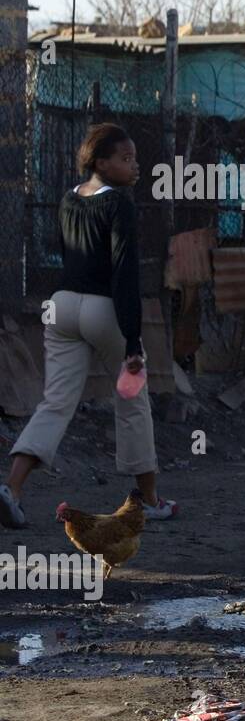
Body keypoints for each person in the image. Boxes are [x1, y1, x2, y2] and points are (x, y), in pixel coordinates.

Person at [0, 124, 178, 531]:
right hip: (104, 310)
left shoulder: (67, 200)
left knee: (56, 401)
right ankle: (149, 501)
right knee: (132, 401)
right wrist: (133, 340)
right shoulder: (119, 206)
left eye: (135, 158)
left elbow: (67, 255)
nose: (135, 166)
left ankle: (12, 488)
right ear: (101, 162)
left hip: (62, 307)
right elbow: (123, 272)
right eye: (126, 159)